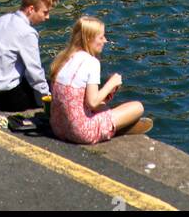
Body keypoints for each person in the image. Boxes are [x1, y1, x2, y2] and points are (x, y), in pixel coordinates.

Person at [49, 16, 145, 145]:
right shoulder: (92, 62)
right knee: (138, 107)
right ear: (88, 39)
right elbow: (92, 103)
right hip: (80, 133)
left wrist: (108, 92)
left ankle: (110, 123)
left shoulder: (63, 58)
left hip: (58, 128)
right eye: (101, 37)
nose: (105, 41)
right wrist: (111, 83)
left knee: (103, 106)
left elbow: (77, 99)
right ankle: (115, 127)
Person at [0, 0, 58, 114]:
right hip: (6, 98)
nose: (47, 17)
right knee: (53, 87)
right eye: (45, 12)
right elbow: (35, 72)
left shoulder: (1, 20)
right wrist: (48, 97)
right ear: (31, 9)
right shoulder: (27, 33)